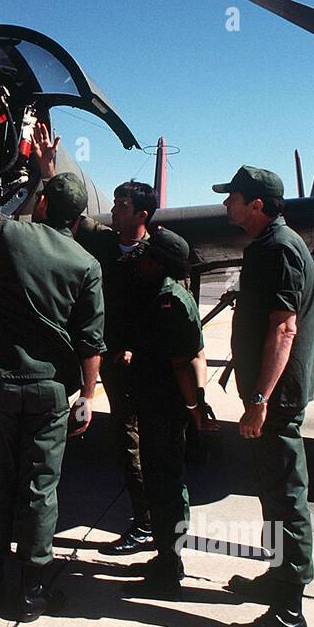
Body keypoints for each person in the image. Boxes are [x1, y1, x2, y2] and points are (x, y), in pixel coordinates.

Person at [0, 167, 105, 622]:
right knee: (41, 489)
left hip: (1, 383)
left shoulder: (12, 235)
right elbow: (92, 343)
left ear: (46, 204)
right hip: (51, 392)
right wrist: (87, 397)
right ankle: (32, 591)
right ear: (77, 219)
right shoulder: (86, 264)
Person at [33, 123, 159, 555]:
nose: (115, 211)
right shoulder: (104, 243)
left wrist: (134, 349)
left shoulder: (158, 257)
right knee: (125, 439)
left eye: (123, 206)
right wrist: (49, 172)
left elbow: (171, 315)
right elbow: (69, 212)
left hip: (141, 367)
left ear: (142, 215)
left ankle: (145, 524)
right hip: (110, 363)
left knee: (139, 442)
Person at [214, 166, 314, 627]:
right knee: (271, 492)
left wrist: (259, 400)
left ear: (257, 205)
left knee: (284, 496)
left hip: (274, 398)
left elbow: (284, 329)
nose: (225, 205)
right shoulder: (268, 246)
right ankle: (278, 582)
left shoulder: (279, 249)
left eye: (232, 198)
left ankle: (289, 617)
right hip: (269, 395)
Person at [122, 229, 209, 594]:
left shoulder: (169, 301)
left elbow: (182, 362)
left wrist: (193, 406)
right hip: (159, 405)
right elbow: (198, 353)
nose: (140, 259)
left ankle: (170, 565)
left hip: (164, 408)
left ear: (158, 262)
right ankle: (166, 556)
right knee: (165, 481)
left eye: (146, 255)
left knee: (165, 484)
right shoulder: (173, 295)